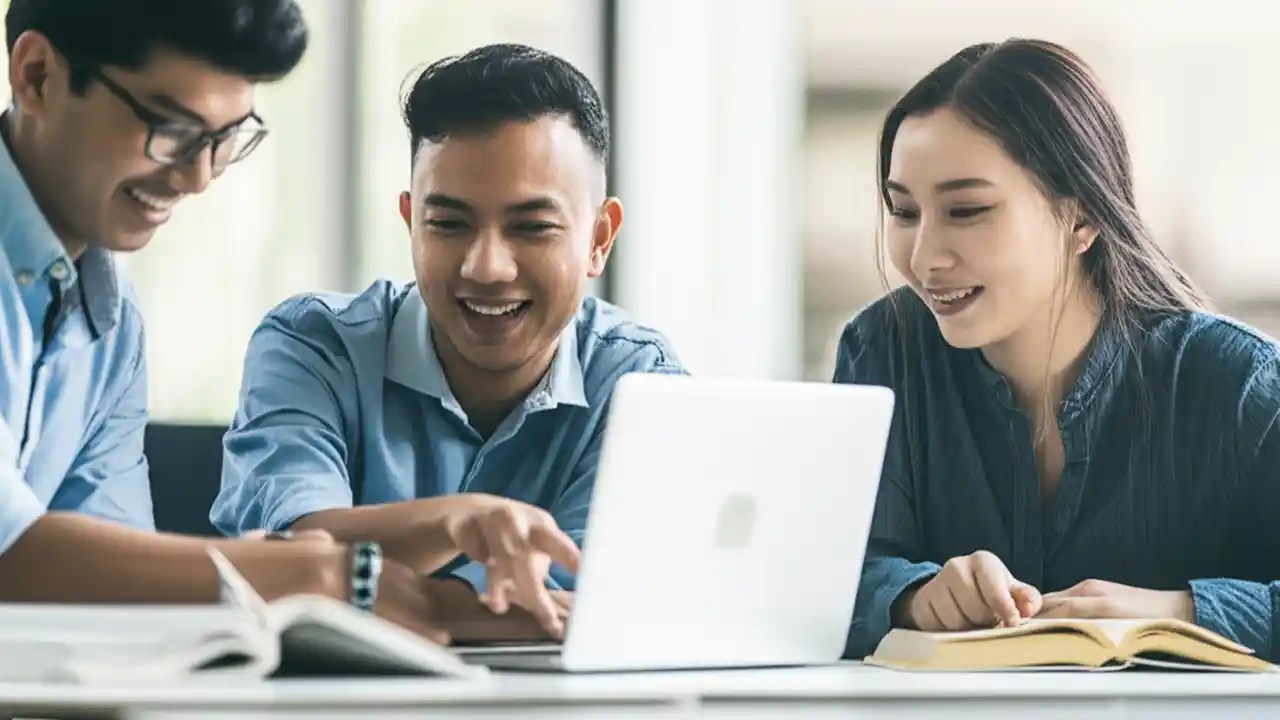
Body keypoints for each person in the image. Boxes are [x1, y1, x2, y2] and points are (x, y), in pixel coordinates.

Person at [0, 0, 492, 643]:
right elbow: (12, 558)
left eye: (224, 140)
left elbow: (105, 595)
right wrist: (302, 573)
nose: (198, 178)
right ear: (36, 75)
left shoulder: (114, 328)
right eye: (172, 129)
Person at [211, 43, 685, 640]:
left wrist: (382, 595)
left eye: (532, 227)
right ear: (412, 222)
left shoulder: (640, 381)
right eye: (449, 224)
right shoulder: (314, 346)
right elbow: (281, 561)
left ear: (599, 237)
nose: (487, 267)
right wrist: (454, 526)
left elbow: (610, 599)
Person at [837, 38, 1280, 662]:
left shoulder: (1240, 386)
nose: (924, 257)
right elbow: (821, 577)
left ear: (1081, 218)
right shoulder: (881, 351)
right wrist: (914, 595)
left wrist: (1177, 612)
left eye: (967, 210)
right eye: (904, 211)